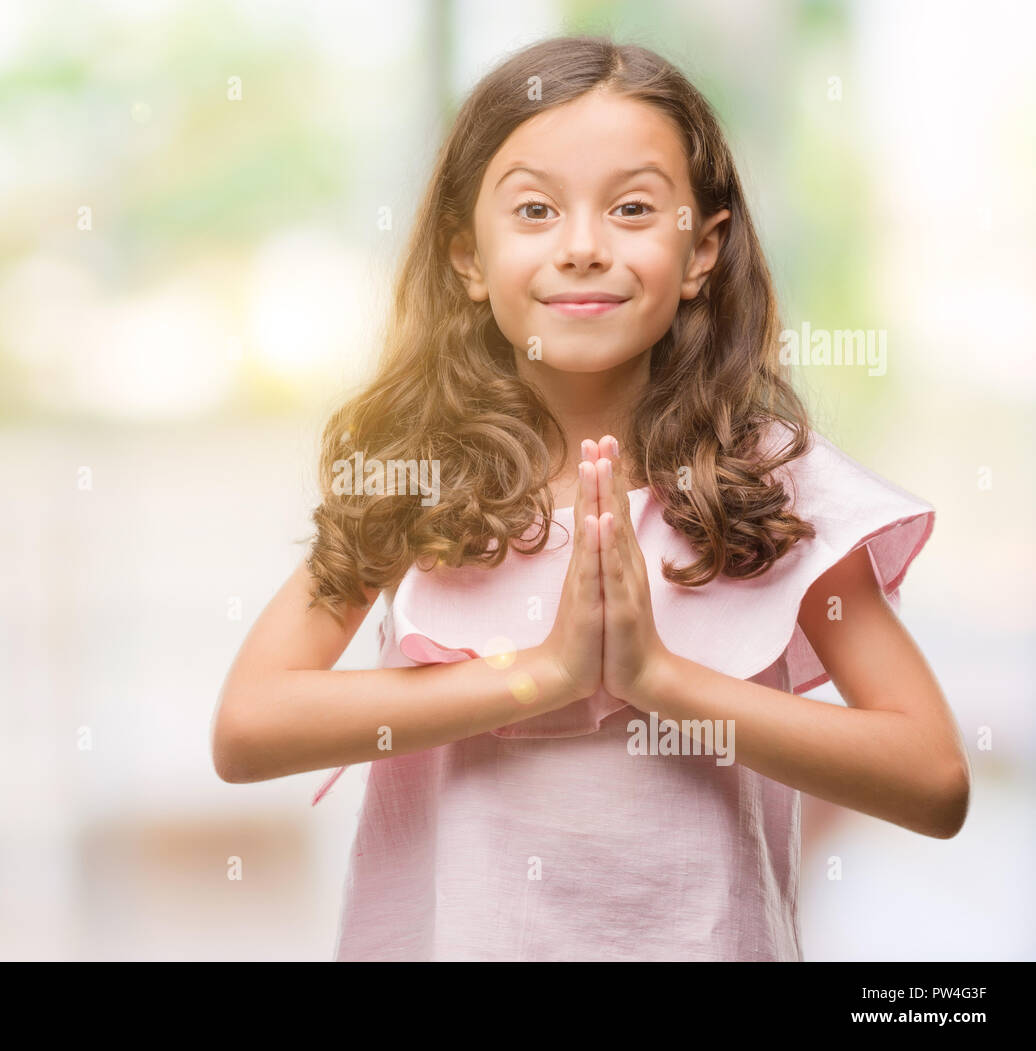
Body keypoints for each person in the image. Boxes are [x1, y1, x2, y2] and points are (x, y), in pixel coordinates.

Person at [211, 34, 970, 961]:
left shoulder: (772, 489)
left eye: (633, 209)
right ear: (468, 258)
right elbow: (249, 728)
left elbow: (932, 778)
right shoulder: (422, 476)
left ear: (702, 251)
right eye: (535, 209)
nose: (581, 246)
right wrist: (543, 674)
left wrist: (657, 679)